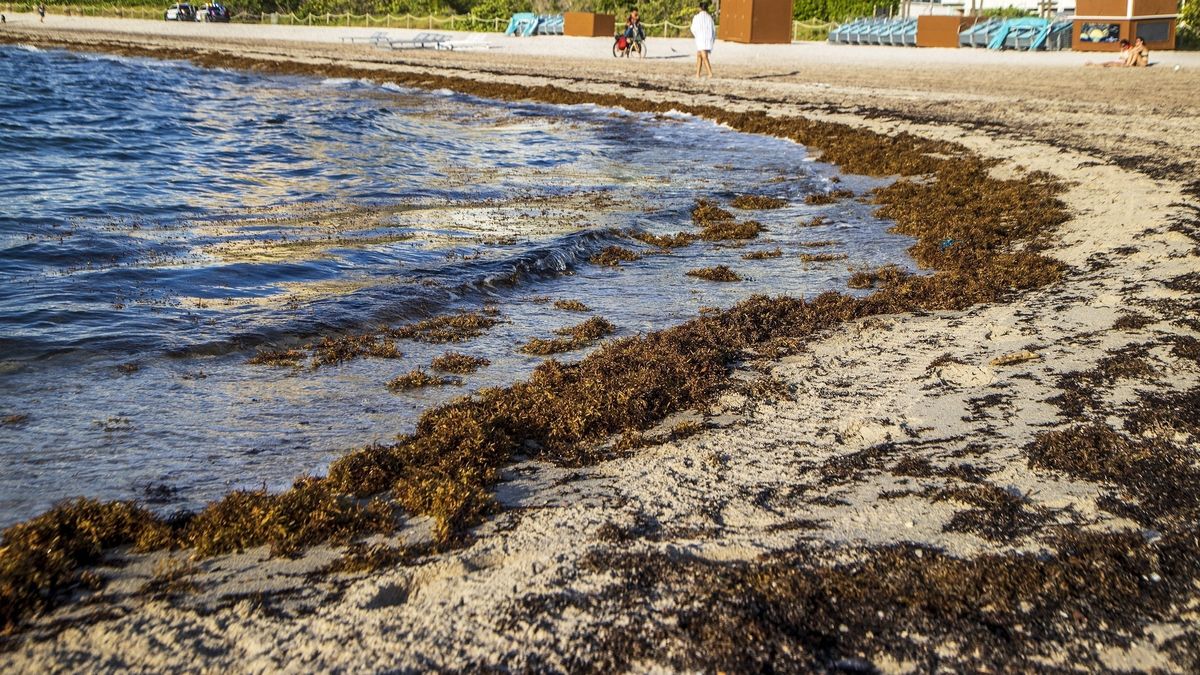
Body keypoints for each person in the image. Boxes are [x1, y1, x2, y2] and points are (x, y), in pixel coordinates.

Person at [691, 0, 715, 79]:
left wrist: (696, 35)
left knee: (704, 56)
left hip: (700, 38)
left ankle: (710, 73)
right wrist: (712, 39)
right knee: (699, 55)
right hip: (707, 38)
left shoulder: (696, 17)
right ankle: (697, 74)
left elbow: (693, 28)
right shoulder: (709, 17)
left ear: (700, 8)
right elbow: (713, 30)